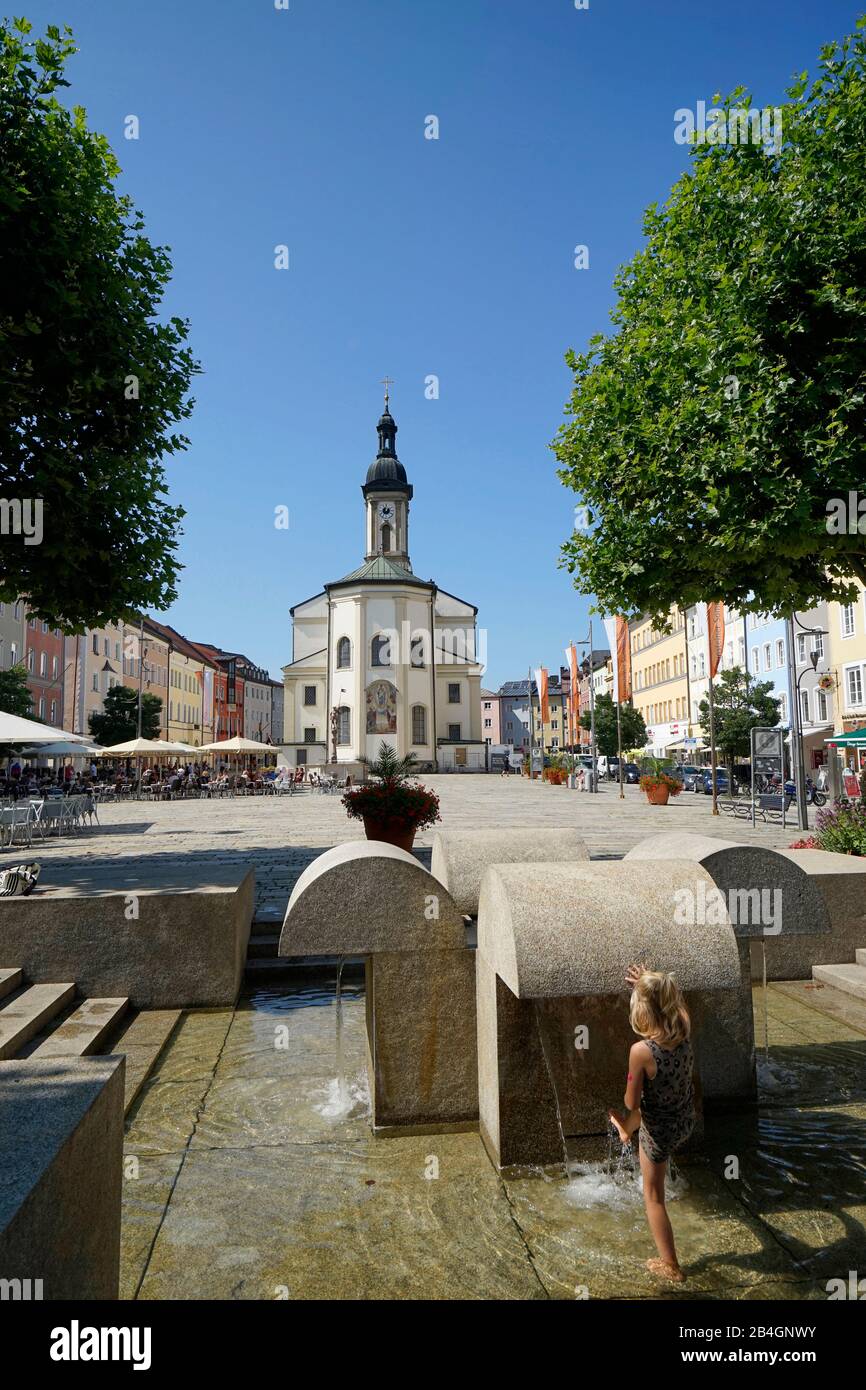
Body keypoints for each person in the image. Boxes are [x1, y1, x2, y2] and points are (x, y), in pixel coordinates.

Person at [607, 964, 695, 1283]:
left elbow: (631, 1101)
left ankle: (670, 1264)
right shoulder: (683, 1024)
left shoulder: (641, 1051)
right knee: (642, 1110)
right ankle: (625, 1129)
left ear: (641, 1012)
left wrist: (633, 1084)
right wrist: (651, 981)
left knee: (653, 1196)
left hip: (658, 1132)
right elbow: (676, 1001)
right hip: (685, 1118)